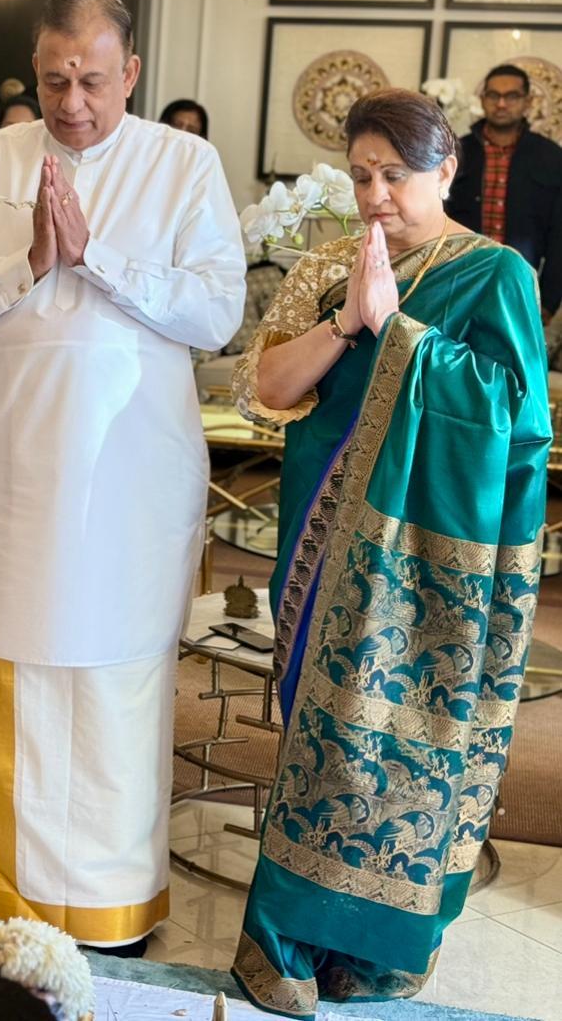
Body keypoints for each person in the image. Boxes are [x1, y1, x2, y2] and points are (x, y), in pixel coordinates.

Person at [0, 0, 246, 952]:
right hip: (13, 471)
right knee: (3, 661)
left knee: (115, 678)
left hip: (133, 481)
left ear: (130, 71)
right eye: (55, 80)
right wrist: (30, 258)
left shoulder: (184, 164)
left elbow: (216, 312)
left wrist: (98, 260)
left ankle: (103, 899)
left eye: (93, 80)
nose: (73, 103)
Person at [229, 88, 551, 1018]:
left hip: (424, 563)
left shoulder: (495, 274)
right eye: (362, 174)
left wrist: (398, 328)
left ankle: (370, 949)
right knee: (323, 742)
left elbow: (513, 416)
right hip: (324, 537)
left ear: (445, 172)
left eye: (396, 176)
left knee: (397, 746)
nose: (376, 194)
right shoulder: (335, 268)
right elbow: (270, 386)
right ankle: (289, 940)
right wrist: (349, 317)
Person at [446, 63, 562, 321]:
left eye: (512, 96)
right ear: (483, 99)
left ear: (527, 101)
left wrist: (549, 301)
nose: (501, 103)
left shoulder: (552, 157)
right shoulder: (456, 153)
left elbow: (559, 238)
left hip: (521, 285)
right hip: (459, 282)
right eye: (493, 95)